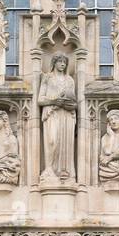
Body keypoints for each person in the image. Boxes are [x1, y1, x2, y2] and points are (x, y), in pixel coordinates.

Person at [39, 52, 77, 180]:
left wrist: (69, 104)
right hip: (52, 112)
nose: (62, 64)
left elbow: (74, 101)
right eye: (60, 61)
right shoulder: (47, 78)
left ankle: (64, 171)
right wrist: (54, 101)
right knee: (52, 141)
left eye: (65, 62)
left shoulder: (70, 80)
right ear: (54, 63)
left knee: (65, 142)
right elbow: (40, 99)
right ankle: (49, 169)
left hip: (66, 114)